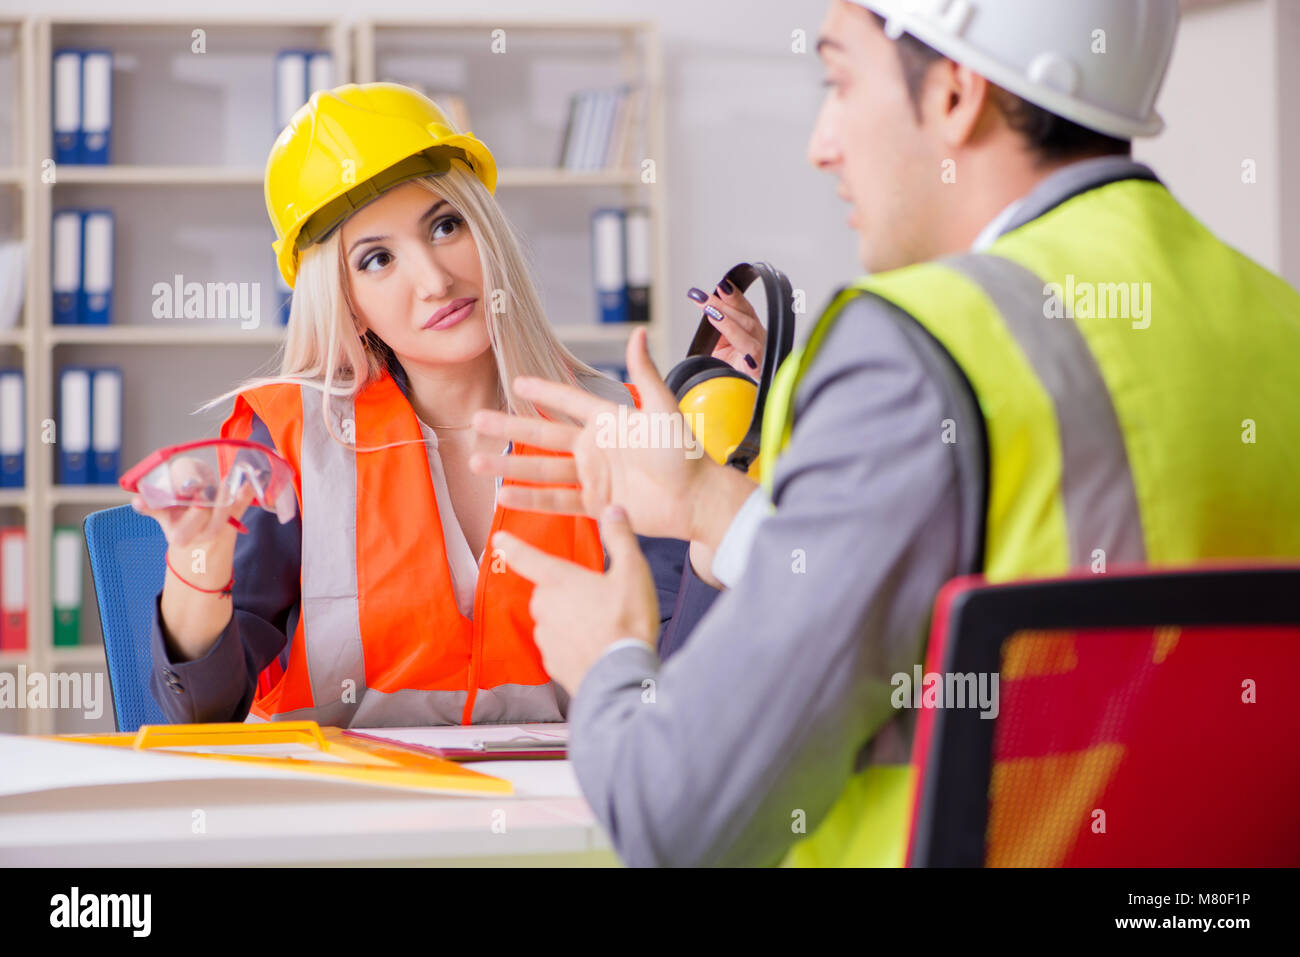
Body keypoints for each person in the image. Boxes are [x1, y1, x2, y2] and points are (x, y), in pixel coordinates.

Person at [468, 0, 1300, 866]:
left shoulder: (915, 342)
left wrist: (606, 661)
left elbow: (675, 817)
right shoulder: (1277, 324)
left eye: (839, 80)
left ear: (955, 94)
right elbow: (1056, 626)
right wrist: (710, 502)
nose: (820, 143)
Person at [135, 83, 694, 727]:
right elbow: (203, 713)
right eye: (376, 260)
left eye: (445, 225)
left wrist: (717, 491)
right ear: (345, 302)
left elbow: (682, 675)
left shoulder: (612, 423)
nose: (434, 281)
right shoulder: (295, 438)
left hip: (569, 805)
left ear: (485, 229)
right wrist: (196, 562)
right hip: (352, 813)